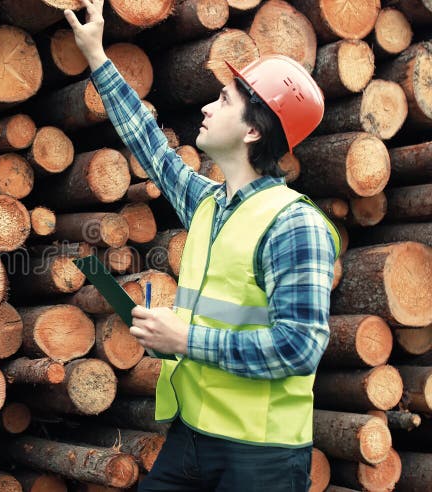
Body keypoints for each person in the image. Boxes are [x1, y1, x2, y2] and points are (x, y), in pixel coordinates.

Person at [65, 1, 340, 491]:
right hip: (191, 437)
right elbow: (149, 144)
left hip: (262, 459)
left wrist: (185, 340)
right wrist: (97, 57)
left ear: (253, 130)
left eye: (224, 100)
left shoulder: (293, 224)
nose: (207, 107)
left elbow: (299, 349)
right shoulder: (209, 203)